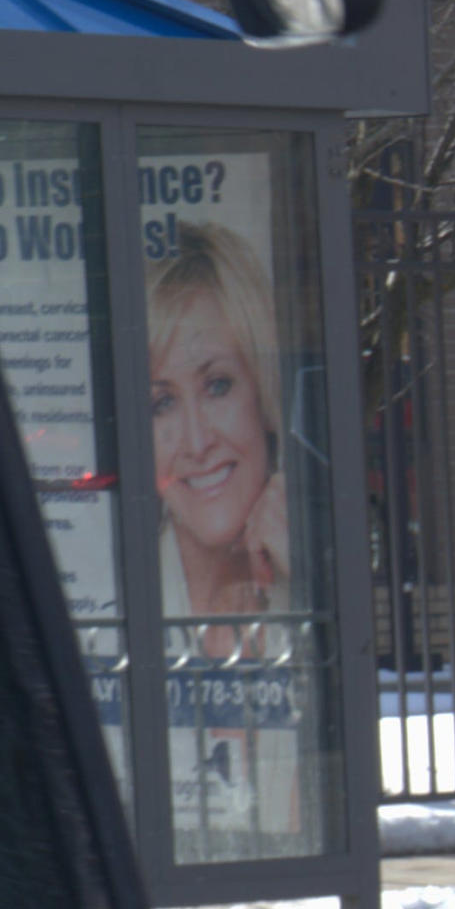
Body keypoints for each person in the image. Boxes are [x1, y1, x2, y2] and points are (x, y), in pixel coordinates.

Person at [146, 219, 292, 652]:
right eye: (161, 404)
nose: (197, 442)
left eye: (217, 386)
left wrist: (300, 577)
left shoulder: (310, 570)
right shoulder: (114, 587)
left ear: (262, 389)